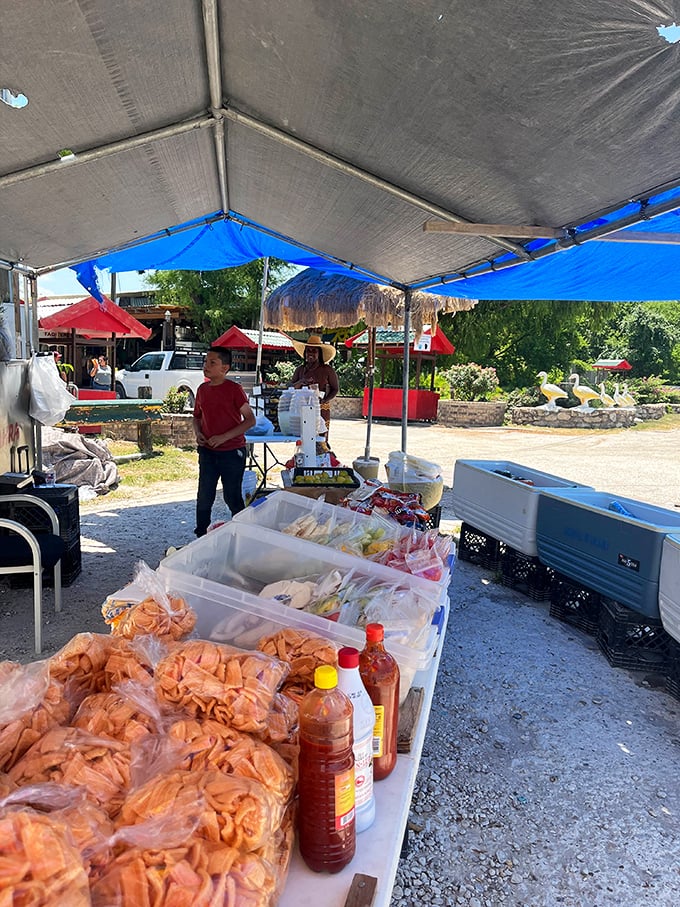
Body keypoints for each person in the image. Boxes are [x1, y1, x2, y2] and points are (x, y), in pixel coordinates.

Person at [193, 346, 256, 537]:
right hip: (208, 451)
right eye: (206, 361)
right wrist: (198, 433)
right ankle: (201, 534)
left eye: (213, 362)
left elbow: (250, 420)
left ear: (225, 368)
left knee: (232, 496)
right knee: (204, 495)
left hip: (232, 451)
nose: (207, 366)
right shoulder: (202, 390)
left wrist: (223, 438)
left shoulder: (234, 389)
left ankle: (242, 532)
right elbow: (196, 417)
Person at [290, 334, 339, 440]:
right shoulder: (300, 370)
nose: (310, 353)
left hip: (321, 408)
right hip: (302, 408)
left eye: (314, 351)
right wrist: (301, 382)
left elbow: (335, 389)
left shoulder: (327, 370)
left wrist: (325, 400)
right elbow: (291, 387)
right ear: (304, 353)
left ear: (319, 354)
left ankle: (322, 455)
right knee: (304, 437)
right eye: (308, 350)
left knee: (321, 438)